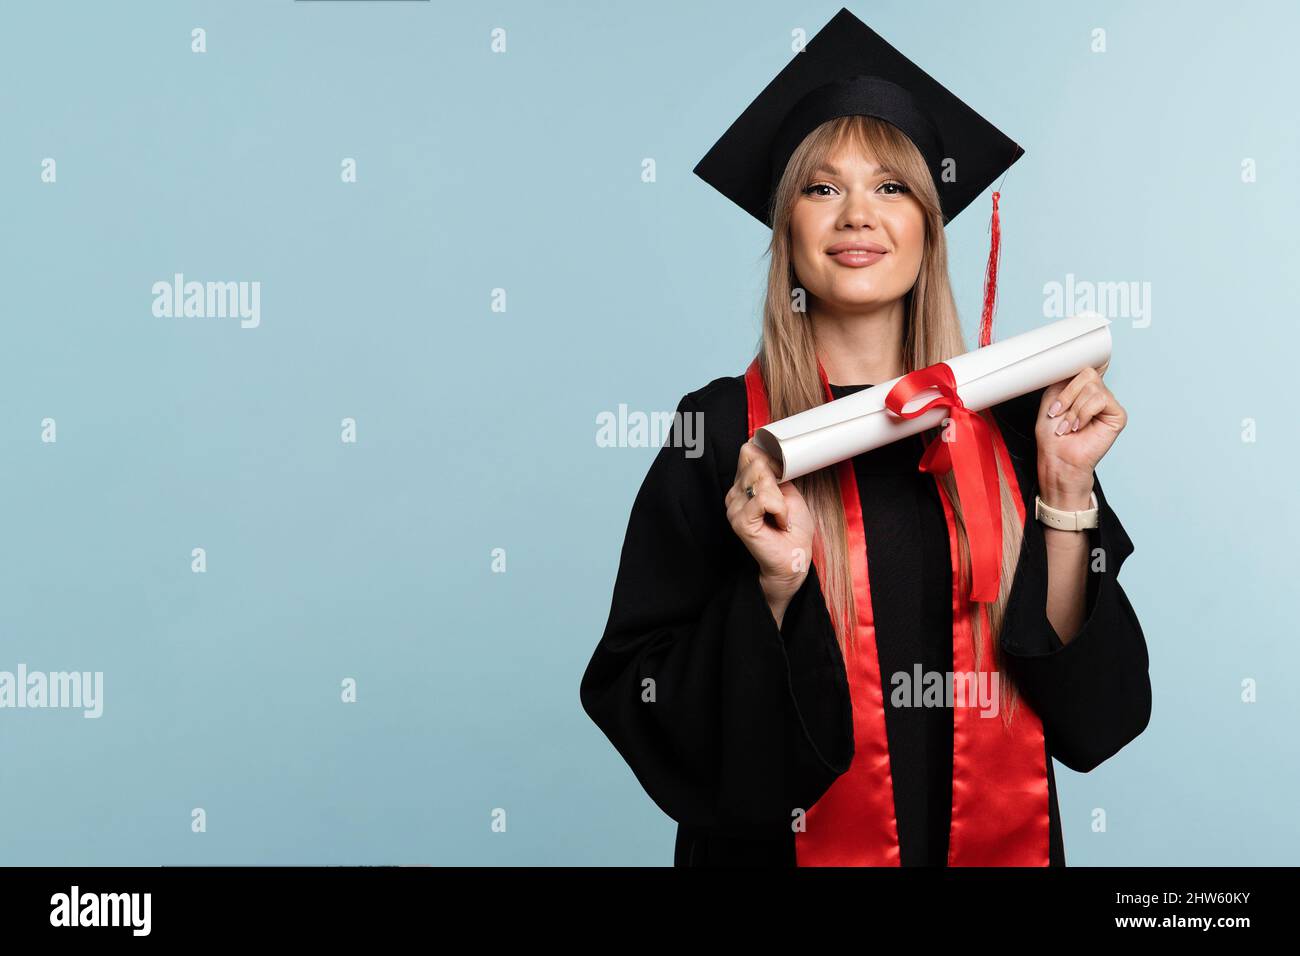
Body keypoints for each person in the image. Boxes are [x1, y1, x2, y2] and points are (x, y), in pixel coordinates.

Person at [579, 8, 1151, 867]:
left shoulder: (1008, 423)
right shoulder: (726, 435)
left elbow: (1093, 716)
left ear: (928, 225)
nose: (857, 214)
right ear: (788, 229)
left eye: (890, 187)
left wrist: (1065, 494)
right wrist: (772, 587)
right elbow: (641, 691)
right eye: (821, 187)